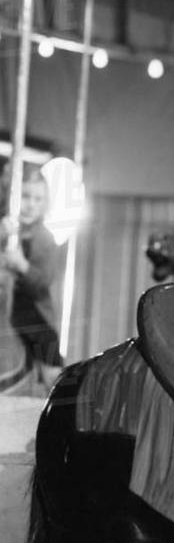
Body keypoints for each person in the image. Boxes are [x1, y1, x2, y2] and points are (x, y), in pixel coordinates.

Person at [1, 165, 64, 391]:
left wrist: (22, 265)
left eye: (38, 199)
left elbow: (44, 282)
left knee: (46, 341)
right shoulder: (5, 229)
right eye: (25, 196)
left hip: (27, 304)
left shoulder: (45, 238)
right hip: (3, 296)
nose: (31, 204)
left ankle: (54, 385)